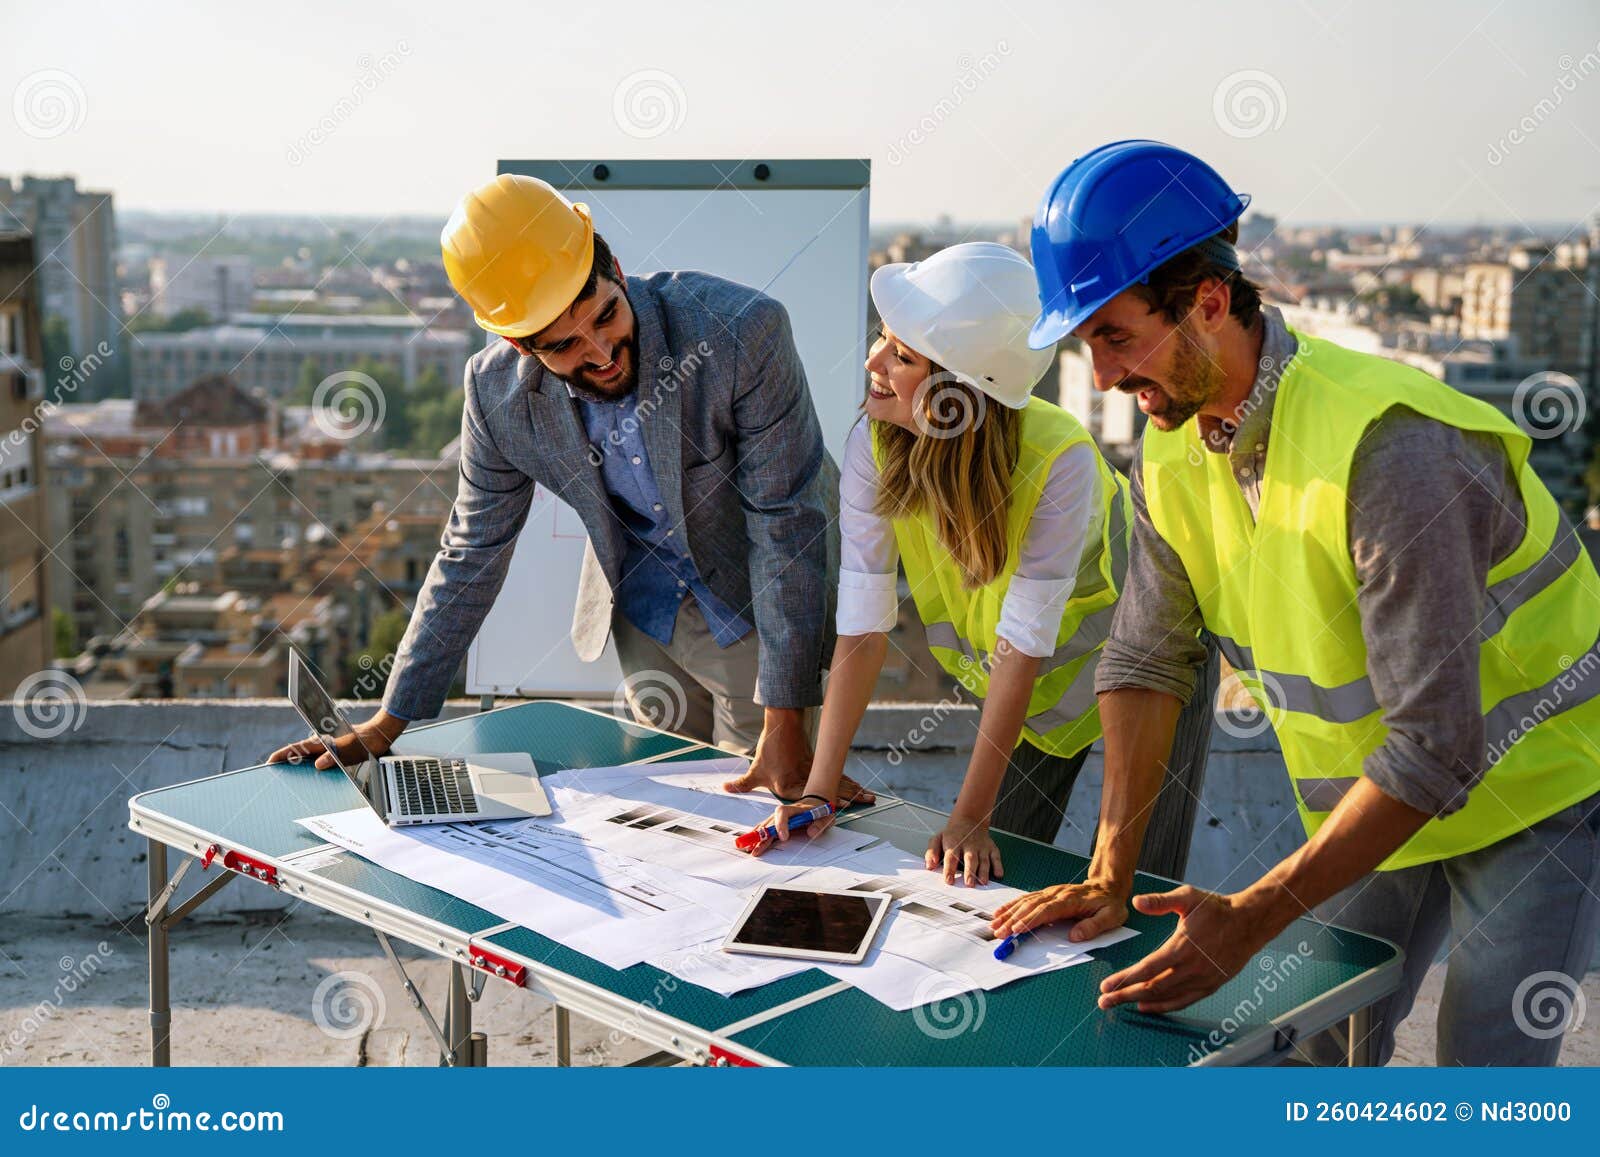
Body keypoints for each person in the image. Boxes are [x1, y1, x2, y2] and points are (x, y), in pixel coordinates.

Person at [993, 140, 1600, 1065]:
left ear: (1206, 301)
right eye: (1088, 345)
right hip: (1379, 792)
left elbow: (1438, 746)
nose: (1104, 375)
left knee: (1484, 1051)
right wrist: (1110, 866)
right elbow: (1147, 659)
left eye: (1115, 335)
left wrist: (1252, 915)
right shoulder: (1169, 453)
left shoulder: (1390, 451)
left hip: (1541, 785)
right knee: (1312, 1037)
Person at [270, 174, 872, 807]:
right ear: (517, 344)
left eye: (605, 315)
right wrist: (387, 725)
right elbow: (472, 550)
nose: (601, 351)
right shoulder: (497, 395)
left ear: (612, 265)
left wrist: (787, 719)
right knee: (672, 808)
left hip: (755, 601)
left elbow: (785, 524)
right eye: (563, 346)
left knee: (768, 803)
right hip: (647, 614)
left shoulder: (741, 334)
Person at [751, 242, 1215, 885]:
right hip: (1032, 690)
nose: (873, 362)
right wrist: (818, 793)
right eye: (884, 340)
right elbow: (861, 627)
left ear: (956, 392)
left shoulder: (1063, 465)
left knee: (1139, 885)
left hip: (1150, 672)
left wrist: (970, 815)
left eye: (902, 356)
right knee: (996, 876)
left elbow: (1022, 643)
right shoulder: (872, 444)